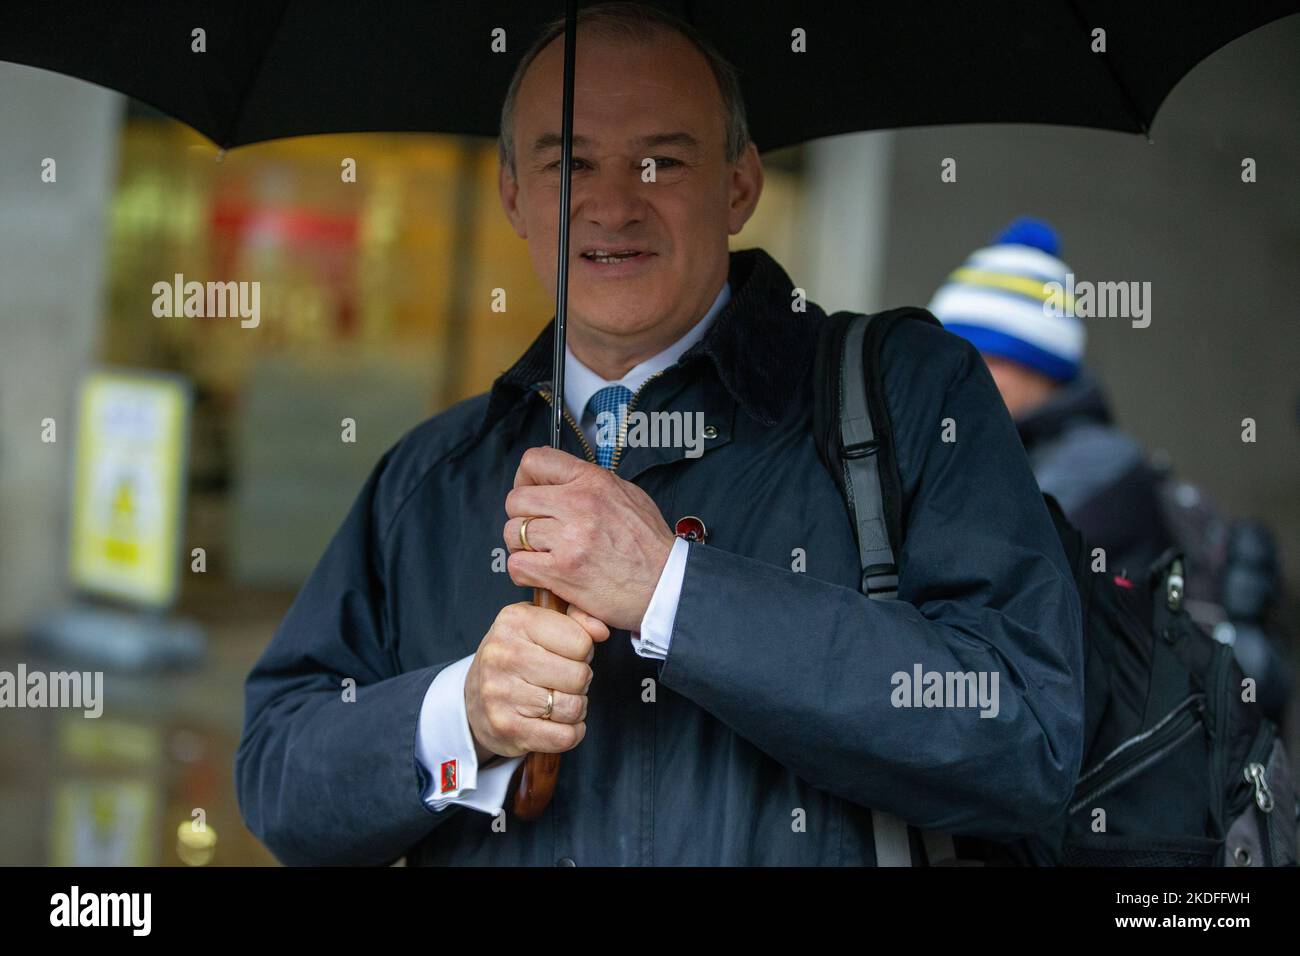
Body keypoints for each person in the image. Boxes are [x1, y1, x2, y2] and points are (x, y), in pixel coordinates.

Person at [235, 2, 1084, 866]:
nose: (613, 204)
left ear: (741, 186)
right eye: (570, 162)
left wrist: (672, 593)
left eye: (662, 161)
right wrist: (462, 715)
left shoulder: (907, 395)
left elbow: (1023, 736)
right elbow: (277, 779)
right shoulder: (430, 475)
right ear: (512, 196)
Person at [927, 218, 1174, 579]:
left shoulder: (1100, 463)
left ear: (1042, 364)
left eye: (989, 358)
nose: (964, 377)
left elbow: (988, 562)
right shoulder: (978, 444)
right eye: (954, 359)